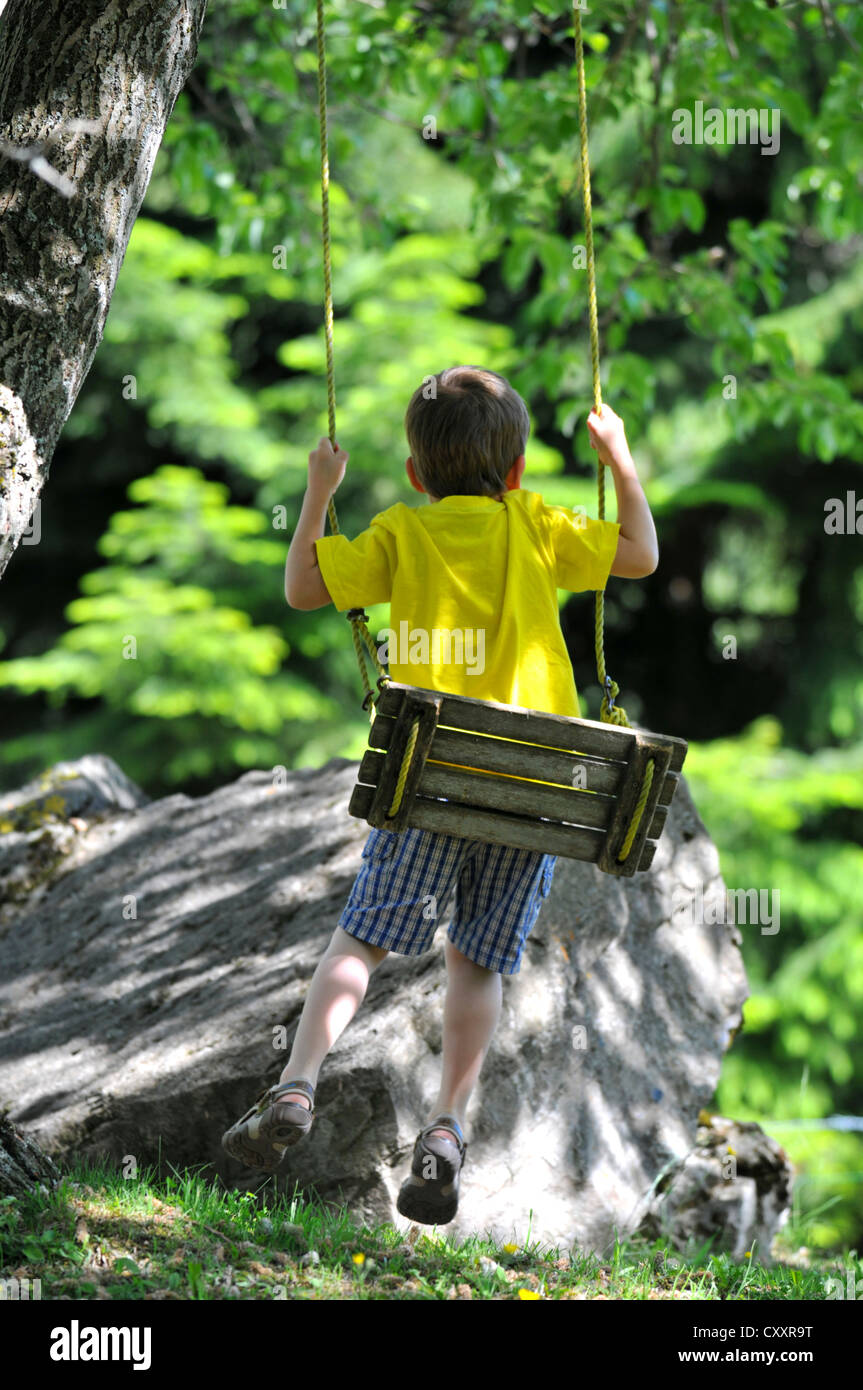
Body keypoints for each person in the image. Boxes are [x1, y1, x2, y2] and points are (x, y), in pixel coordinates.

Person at [222, 366, 658, 1224]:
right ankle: (449, 1125)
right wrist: (619, 458)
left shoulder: (399, 533)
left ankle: (298, 1082)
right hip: (532, 798)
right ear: (520, 470)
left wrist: (318, 491)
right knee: (478, 962)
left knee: (360, 942)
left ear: (418, 476)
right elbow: (640, 556)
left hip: (429, 788)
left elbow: (304, 588)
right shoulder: (537, 526)